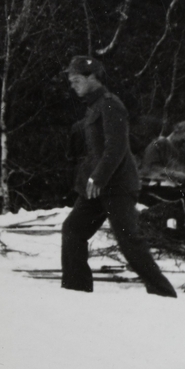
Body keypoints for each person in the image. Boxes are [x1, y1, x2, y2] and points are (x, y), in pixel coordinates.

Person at [59, 56, 176, 298]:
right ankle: (75, 291)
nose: (73, 85)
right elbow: (97, 151)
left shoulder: (111, 105)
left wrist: (98, 178)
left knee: (129, 240)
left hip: (117, 185)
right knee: (73, 229)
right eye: (71, 81)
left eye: (77, 80)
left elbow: (116, 148)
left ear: (93, 78)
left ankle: (164, 294)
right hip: (98, 186)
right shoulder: (95, 106)